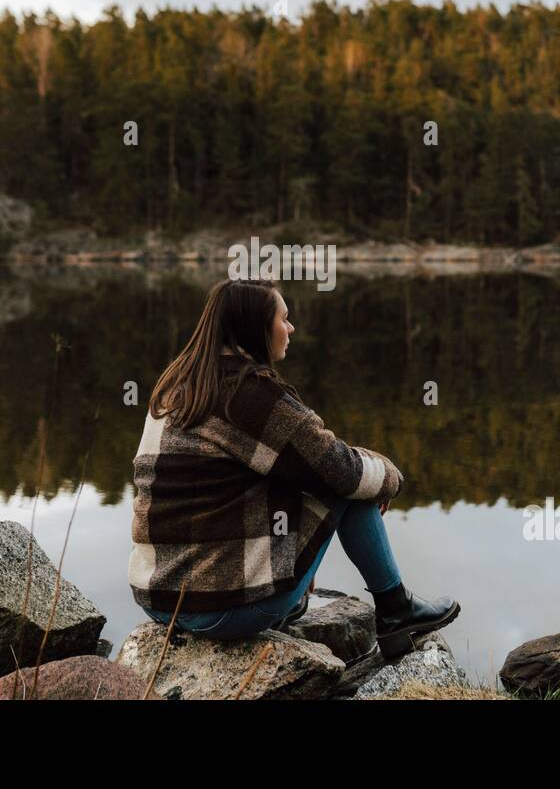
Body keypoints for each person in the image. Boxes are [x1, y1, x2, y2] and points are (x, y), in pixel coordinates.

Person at [127, 277, 459, 659]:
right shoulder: (248, 393)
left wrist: (292, 542)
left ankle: (361, 606)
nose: (291, 328)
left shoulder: (179, 383)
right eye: (284, 318)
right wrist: (389, 479)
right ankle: (395, 608)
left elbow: (245, 482)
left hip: (157, 600)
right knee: (344, 484)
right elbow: (342, 470)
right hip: (219, 610)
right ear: (256, 328)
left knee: (312, 473)